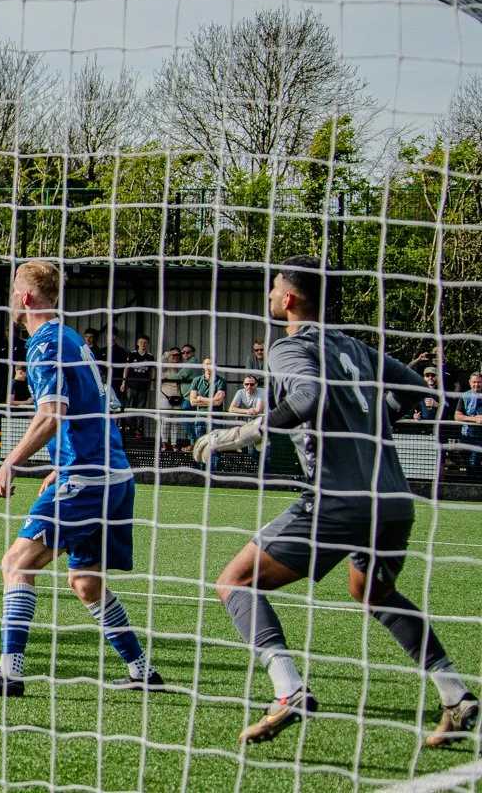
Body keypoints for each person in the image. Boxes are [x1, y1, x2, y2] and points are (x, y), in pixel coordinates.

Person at [193, 256, 476, 746]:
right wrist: (376, 421)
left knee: (234, 582)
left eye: (274, 289)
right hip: (392, 499)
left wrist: (246, 432)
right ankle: (456, 695)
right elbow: (413, 386)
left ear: (290, 298)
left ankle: (289, 691)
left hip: (338, 501)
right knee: (374, 593)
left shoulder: (290, 348)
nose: (270, 297)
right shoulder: (352, 347)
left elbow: (308, 396)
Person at [0, 259, 158, 697]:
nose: (11, 299)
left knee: (16, 563)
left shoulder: (45, 342)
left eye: (13, 291)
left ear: (25, 297)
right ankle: (143, 671)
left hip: (88, 477)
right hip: (114, 477)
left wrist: (10, 461)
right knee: (85, 582)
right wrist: (58, 465)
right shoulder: (68, 338)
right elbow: (87, 409)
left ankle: (10, 671)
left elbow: (52, 415)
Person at [185, 356, 227, 444]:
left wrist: (200, 398)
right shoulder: (196, 380)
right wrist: (211, 401)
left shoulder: (221, 381)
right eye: (207, 364)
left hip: (215, 419)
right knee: (201, 446)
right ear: (203, 366)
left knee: (214, 448)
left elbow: (217, 402)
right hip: (201, 419)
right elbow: (193, 402)